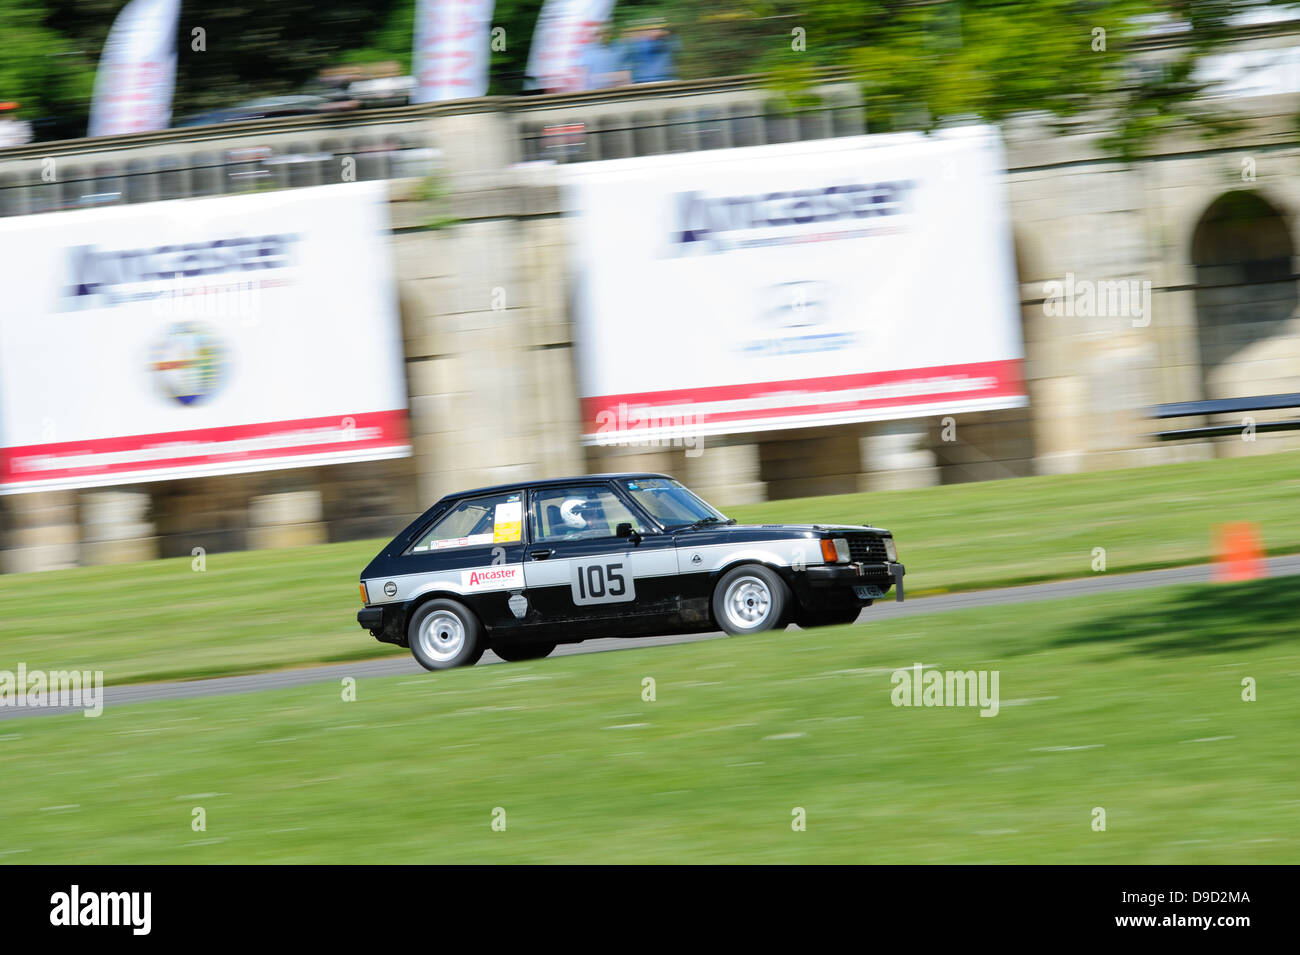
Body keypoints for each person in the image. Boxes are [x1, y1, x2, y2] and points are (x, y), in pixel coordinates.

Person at [625, 19, 678, 85]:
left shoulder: (666, 42)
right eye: (653, 29)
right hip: (644, 80)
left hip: (665, 79)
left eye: (658, 29)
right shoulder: (640, 44)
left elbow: (674, 45)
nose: (656, 31)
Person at [580, 25, 630, 91]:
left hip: (616, 90)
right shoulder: (587, 51)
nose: (602, 36)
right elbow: (586, 78)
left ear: (609, 34)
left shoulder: (618, 50)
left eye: (605, 33)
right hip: (596, 91)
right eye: (598, 34)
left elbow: (626, 76)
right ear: (593, 36)